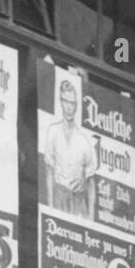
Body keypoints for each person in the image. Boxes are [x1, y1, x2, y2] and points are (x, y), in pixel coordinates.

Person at [44, 78, 97, 219]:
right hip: (59, 196)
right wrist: (50, 207)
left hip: (78, 201)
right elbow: (49, 170)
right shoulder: (53, 131)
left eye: (72, 103)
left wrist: (91, 217)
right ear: (61, 102)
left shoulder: (84, 141)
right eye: (66, 102)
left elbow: (90, 181)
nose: (69, 107)